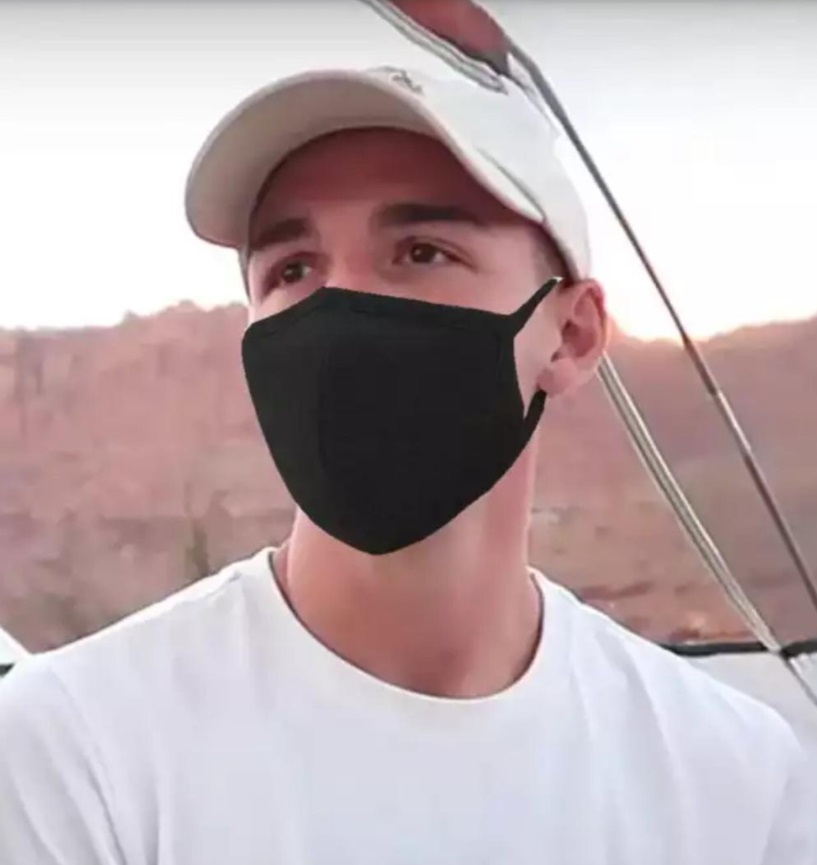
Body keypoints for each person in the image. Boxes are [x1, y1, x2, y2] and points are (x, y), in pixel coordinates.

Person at [1, 63, 815, 865]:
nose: (339, 308)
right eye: (292, 269)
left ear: (569, 335)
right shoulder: (73, 751)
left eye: (421, 251)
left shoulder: (730, 775)